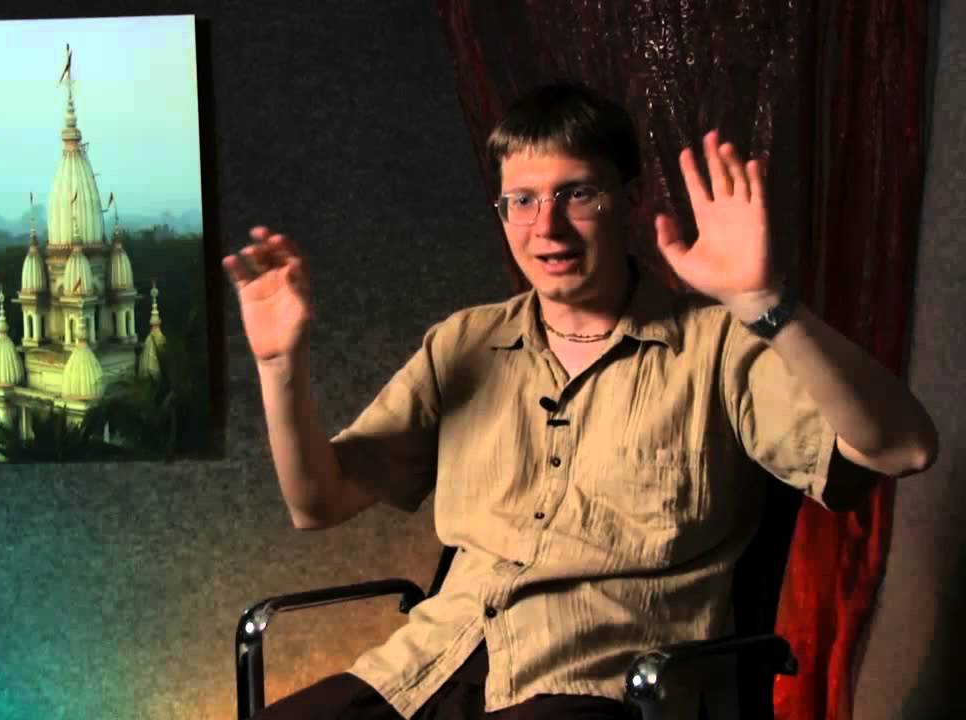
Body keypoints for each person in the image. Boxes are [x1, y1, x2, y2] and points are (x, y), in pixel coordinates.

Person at [221, 82, 938, 720]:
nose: (547, 227)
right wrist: (281, 363)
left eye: (579, 194)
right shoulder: (463, 341)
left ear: (631, 200)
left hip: (598, 688)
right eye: (522, 201)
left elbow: (904, 448)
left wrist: (767, 305)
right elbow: (317, 503)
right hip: (424, 670)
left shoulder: (720, 345)